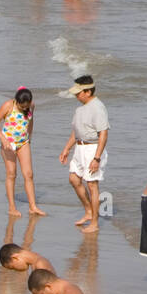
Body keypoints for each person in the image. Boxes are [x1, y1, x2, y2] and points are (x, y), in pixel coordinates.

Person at [59, 75, 108, 234]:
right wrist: (66, 148)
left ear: (88, 92)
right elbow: (76, 132)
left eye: (78, 93)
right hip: (79, 148)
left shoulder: (97, 107)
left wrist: (97, 158)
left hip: (92, 149)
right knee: (73, 179)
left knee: (92, 185)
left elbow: (103, 134)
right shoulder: (80, 109)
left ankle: (94, 222)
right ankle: (88, 211)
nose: (76, 95)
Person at [0, 88, 45, 217]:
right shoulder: (8, 106)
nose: (24, 108)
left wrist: (29, 137)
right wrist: (3, 140)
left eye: (26, 106)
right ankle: (12, 207)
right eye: (22, 106)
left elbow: (31, 121)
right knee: (12, 174)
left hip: (23, 142)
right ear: (17, 101)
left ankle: (33, 206)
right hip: (8, 144)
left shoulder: (31, 105)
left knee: (29, 174)